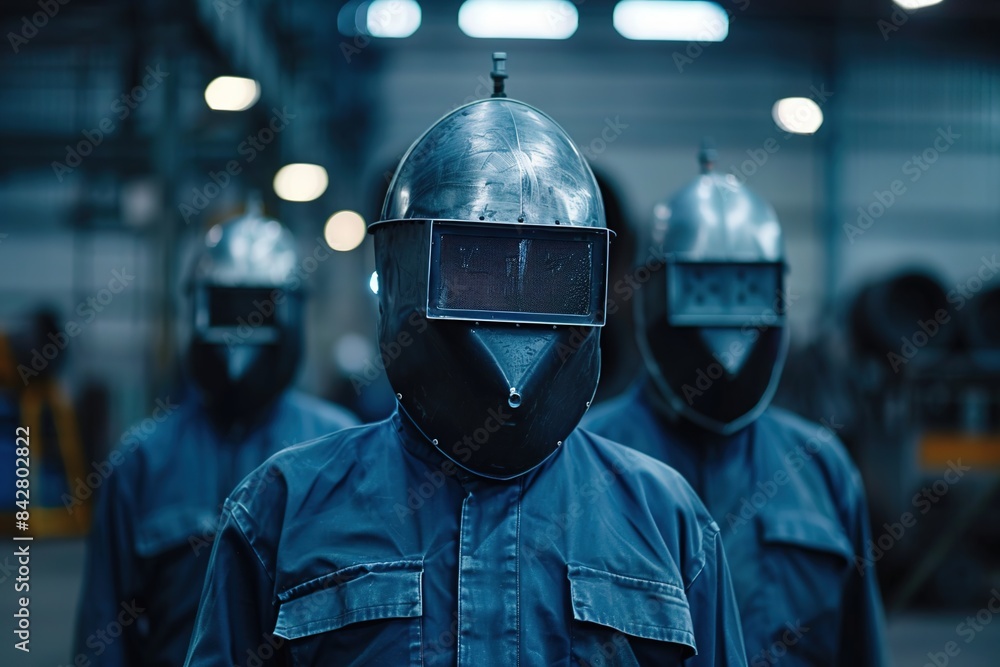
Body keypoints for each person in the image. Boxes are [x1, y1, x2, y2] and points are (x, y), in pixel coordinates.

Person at [185, 54, 747, 667]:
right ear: (404, 277)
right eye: (476, 271)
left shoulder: (670, 523)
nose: (509, 316)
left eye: (547, 276)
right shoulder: (282, 508)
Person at [584, 144, 887, 666]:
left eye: (746, 288)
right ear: (655, 294)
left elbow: (861, 648)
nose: (727, 320)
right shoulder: (586, 461)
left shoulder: (821, 468)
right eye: (702, 288)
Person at [73, 204, 358, 667]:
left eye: (258, 310)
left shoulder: (342, 453)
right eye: (228, 308)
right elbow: (102, 636)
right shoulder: (141, 462)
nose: (241, 332)